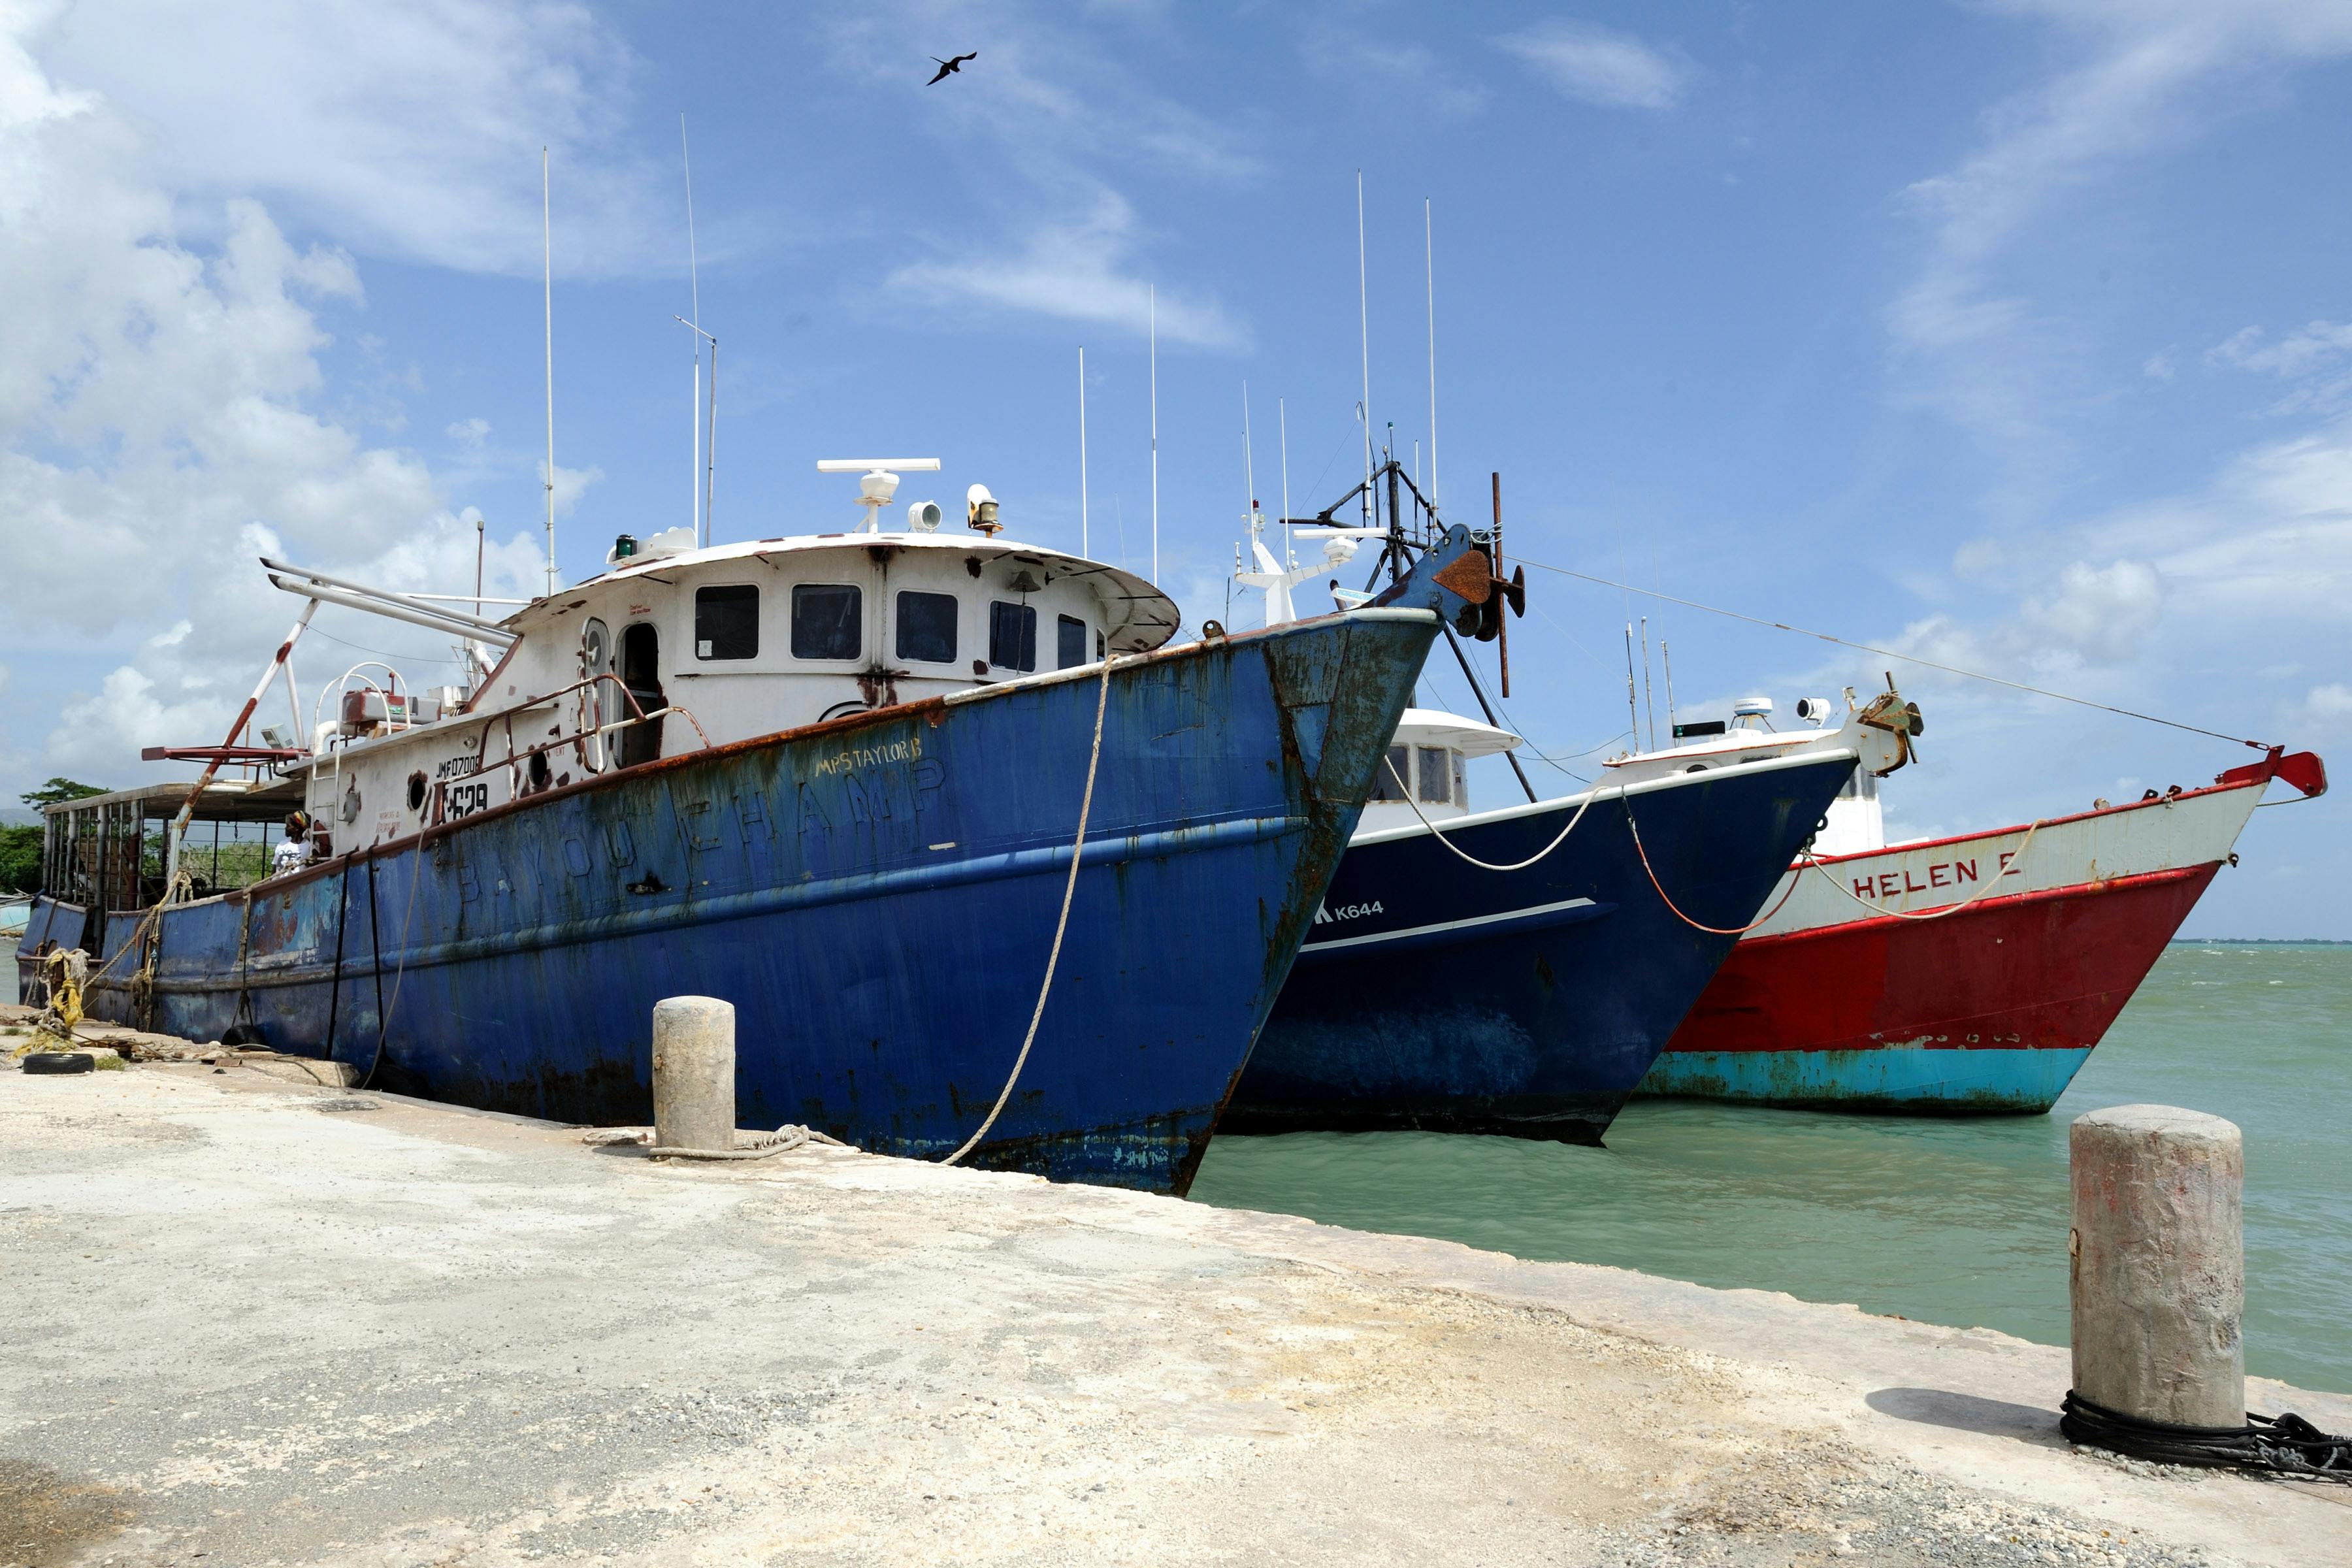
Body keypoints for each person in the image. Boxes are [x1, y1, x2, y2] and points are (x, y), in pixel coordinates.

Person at [270, 813, 311, 877]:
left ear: (297, 828)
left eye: (288, 826)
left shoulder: (308, 847)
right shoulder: (281, 845)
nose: (285, 828)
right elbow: (275, 868)